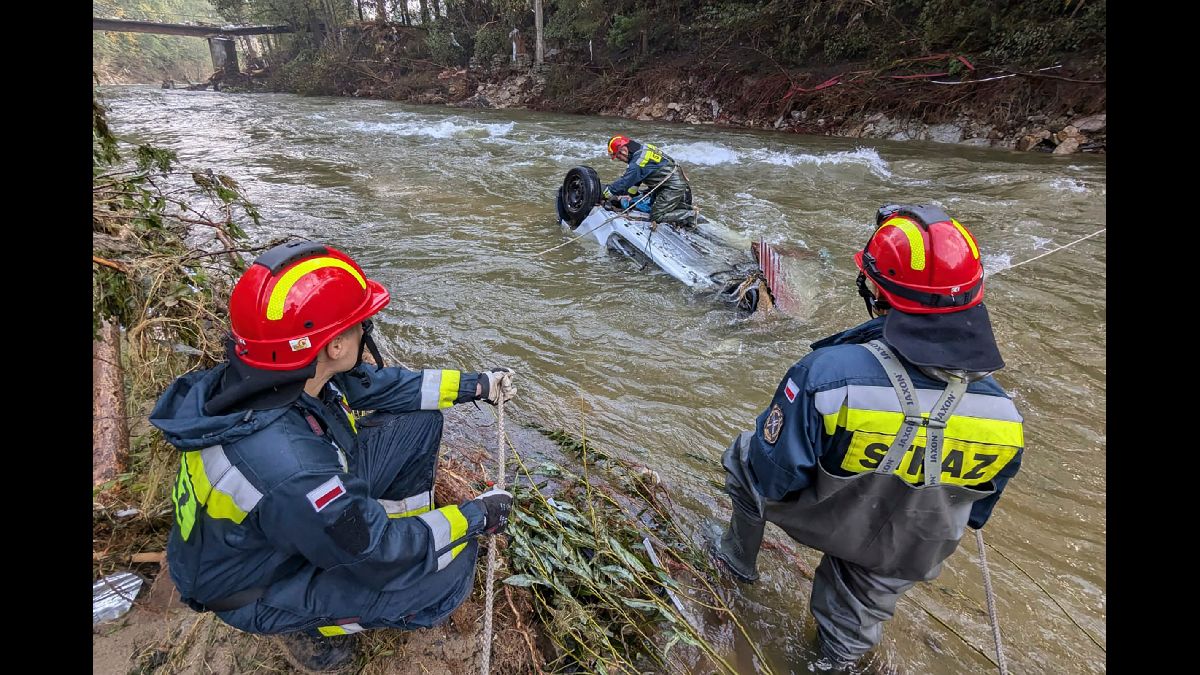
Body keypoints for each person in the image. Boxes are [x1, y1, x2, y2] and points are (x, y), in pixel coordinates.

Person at [149, 240, 518, 672]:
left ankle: (376, 543)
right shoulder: (292, 468)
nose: (368, 329)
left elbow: (384, 387)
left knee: (419, 422)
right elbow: (376, 546)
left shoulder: (278, 373)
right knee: (450, 572)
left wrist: (479, 386)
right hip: (256, 586)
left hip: (280, 526)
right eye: (362, 323)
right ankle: (306, 627)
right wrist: (477, 516)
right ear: (335, 346)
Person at [713, 205, 1024, 671]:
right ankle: (839, 656)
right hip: (907, 546)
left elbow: (771, 475)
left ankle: (734, 565)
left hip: (831, 516)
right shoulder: (1006, 413)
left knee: (743, 457)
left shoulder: (826, 376)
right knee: (850, 635)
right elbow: (976, 512)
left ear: (877, 288)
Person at [602, 135, 696, 227]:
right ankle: (679, 210)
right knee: (651, 206)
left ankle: (690, 215)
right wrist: (630, 195)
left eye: (618, 157)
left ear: (623, 150)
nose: (620, 160)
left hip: (672, 187)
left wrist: (606, 193)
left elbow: (625, 181)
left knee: (656, 216)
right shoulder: (642, 150)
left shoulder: (637, 162)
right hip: (664, 185)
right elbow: (638, 178)